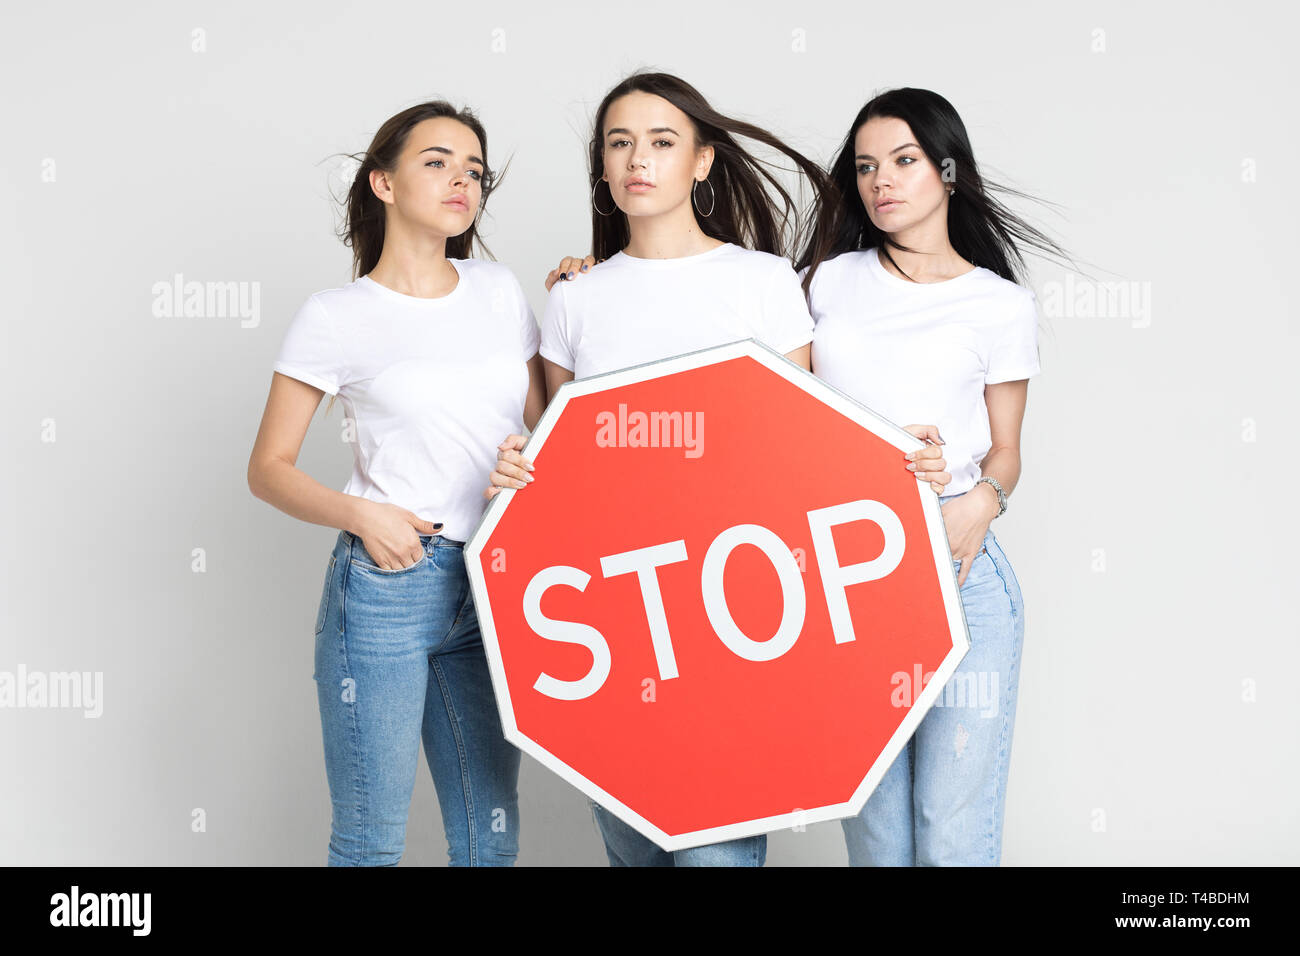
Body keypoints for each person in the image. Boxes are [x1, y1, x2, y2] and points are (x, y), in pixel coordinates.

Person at [485, 72, 951, 866]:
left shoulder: (763, 283)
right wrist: (516, 475)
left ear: (702, 163)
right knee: (635, 846)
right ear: (602, 168)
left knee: (714, 853)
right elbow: (565, 466)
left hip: (735, 617)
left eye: (663, 142)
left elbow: (803, 447)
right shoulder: (574, 301)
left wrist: (900, 458)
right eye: (620, 144)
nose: (639, 160)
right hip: (620, 621)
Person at [247, 102, 545, 866]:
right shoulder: (337, 315)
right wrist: (363, 514)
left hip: (495, 580)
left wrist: (524, 461)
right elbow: (268, 469)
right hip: (389, 583)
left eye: (474, 170)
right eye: (438, 161)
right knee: (370, 842)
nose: (461, 182)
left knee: (490, 837)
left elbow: (548, 436)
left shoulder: (500, 291)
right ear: (383, 181)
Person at [796, 87, 1071, 866]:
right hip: (849, 572)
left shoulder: (1000, 306)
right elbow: (775, 409)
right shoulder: (825, 281)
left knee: (951, 835)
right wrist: (592, 268)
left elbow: (1007, 451)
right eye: (866, 167)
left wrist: (979, 501)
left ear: (948, 171)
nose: (882, 181)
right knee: (879, 842)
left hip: (960, 568)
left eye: (905, 161)